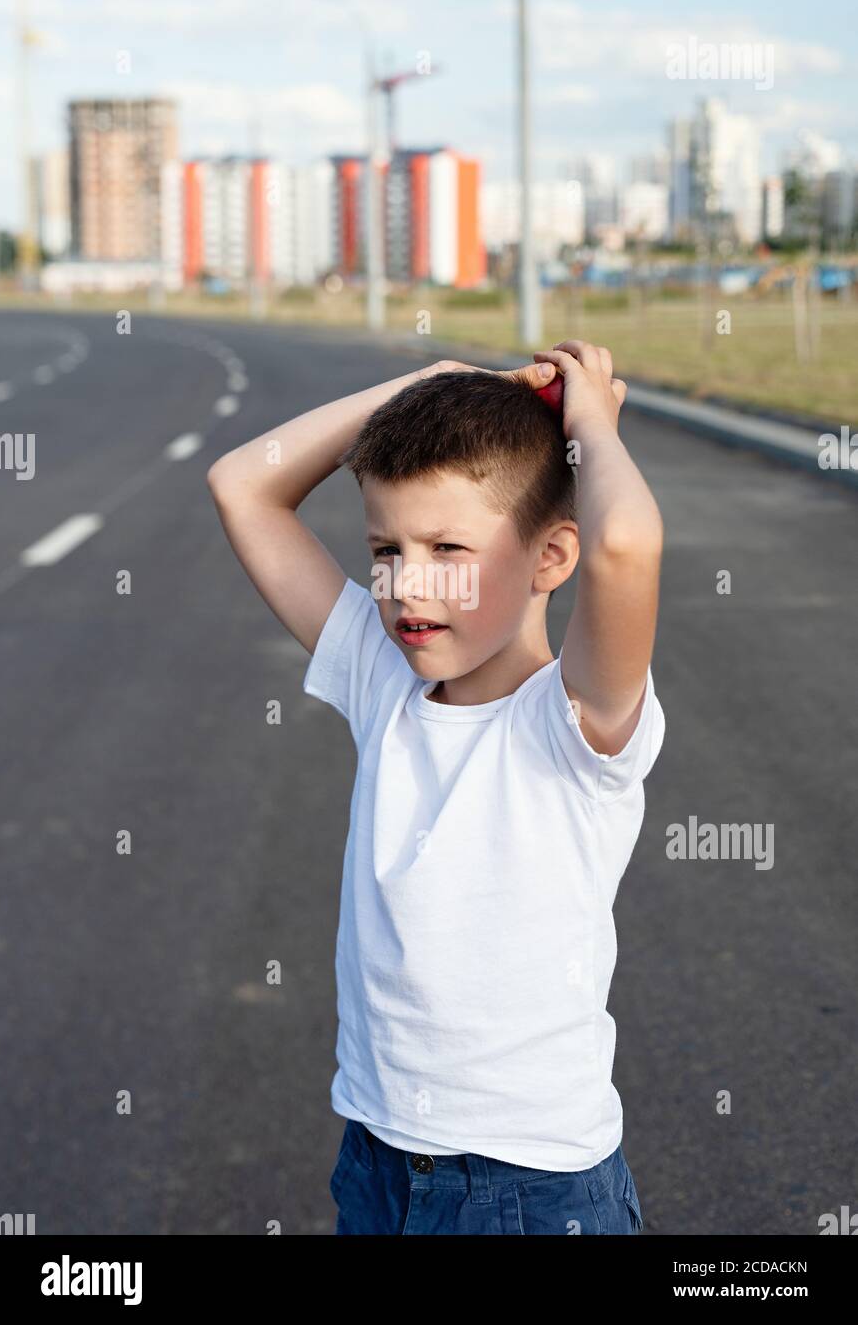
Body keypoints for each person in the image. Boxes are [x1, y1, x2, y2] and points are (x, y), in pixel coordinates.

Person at [207, 338, 664, 1235]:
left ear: (549, 557)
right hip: (377, 1155)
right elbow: (241, 485)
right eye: (385, 549)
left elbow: (626, 542)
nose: (406, 584)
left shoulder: (573, 724)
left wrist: (588, 428)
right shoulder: (386, 683)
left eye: (448, 547)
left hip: (529, 1186)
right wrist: (433, 387)